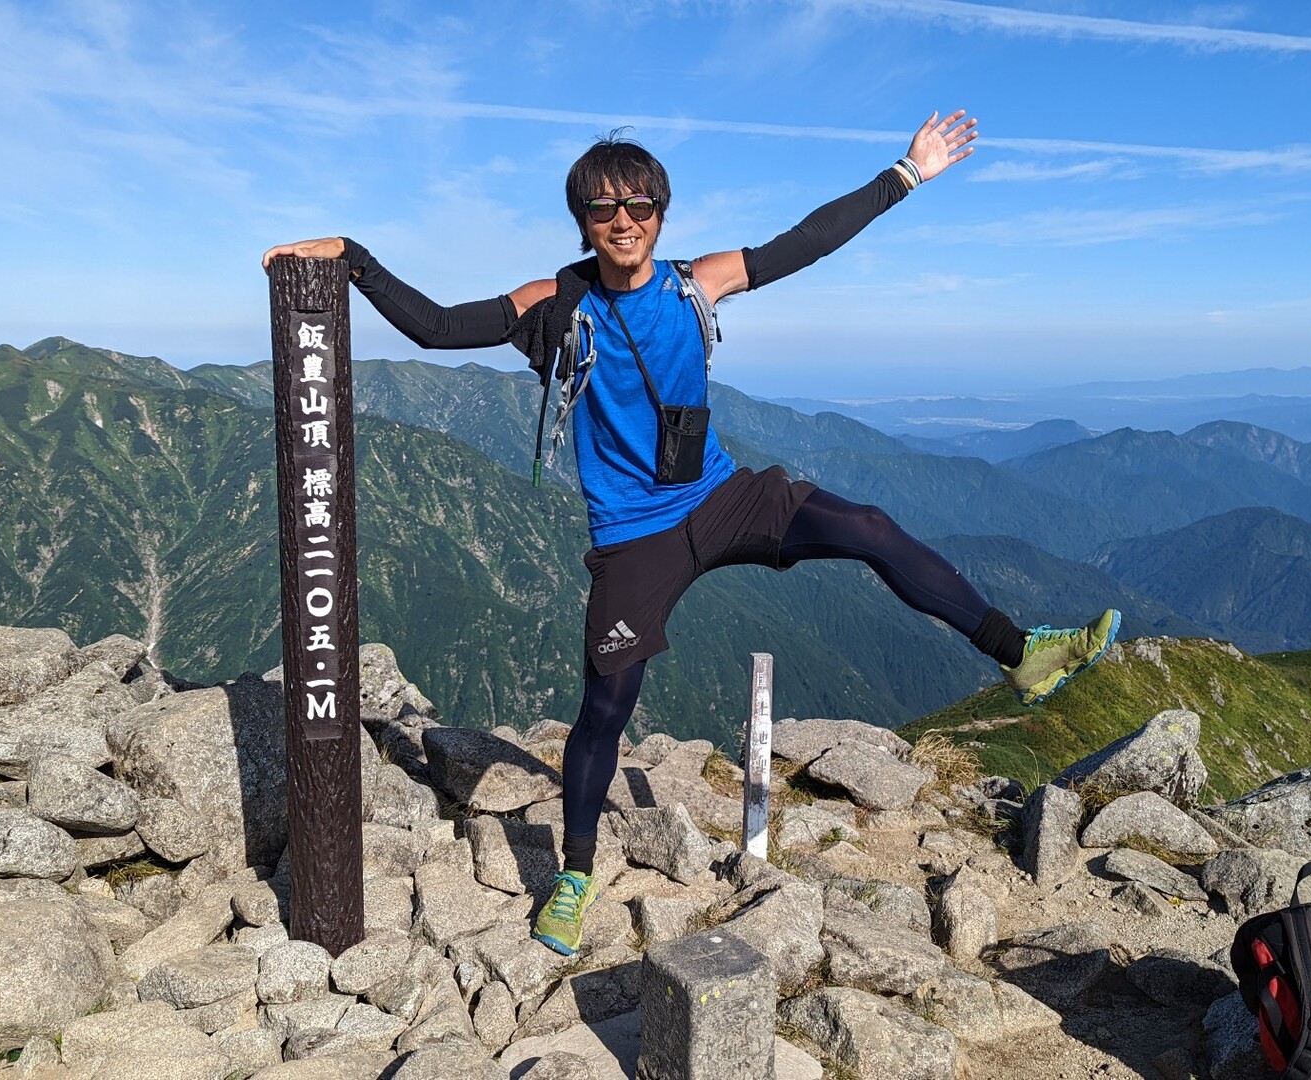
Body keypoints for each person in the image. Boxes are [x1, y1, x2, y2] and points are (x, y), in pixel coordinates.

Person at [263, 110, 1121, 956]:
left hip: (722, 497)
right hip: (637, 536)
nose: (624, 221)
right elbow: (439, 328)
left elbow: (804, 243)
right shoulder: (555, 307)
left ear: (660, 213)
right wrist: (353, 260)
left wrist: (904, 175)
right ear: (584, 222)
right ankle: (574, 874)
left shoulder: (692, 282)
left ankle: (1018, 653)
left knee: (866, 525)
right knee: (605, 707)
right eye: (605, 209)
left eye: (639, 205)